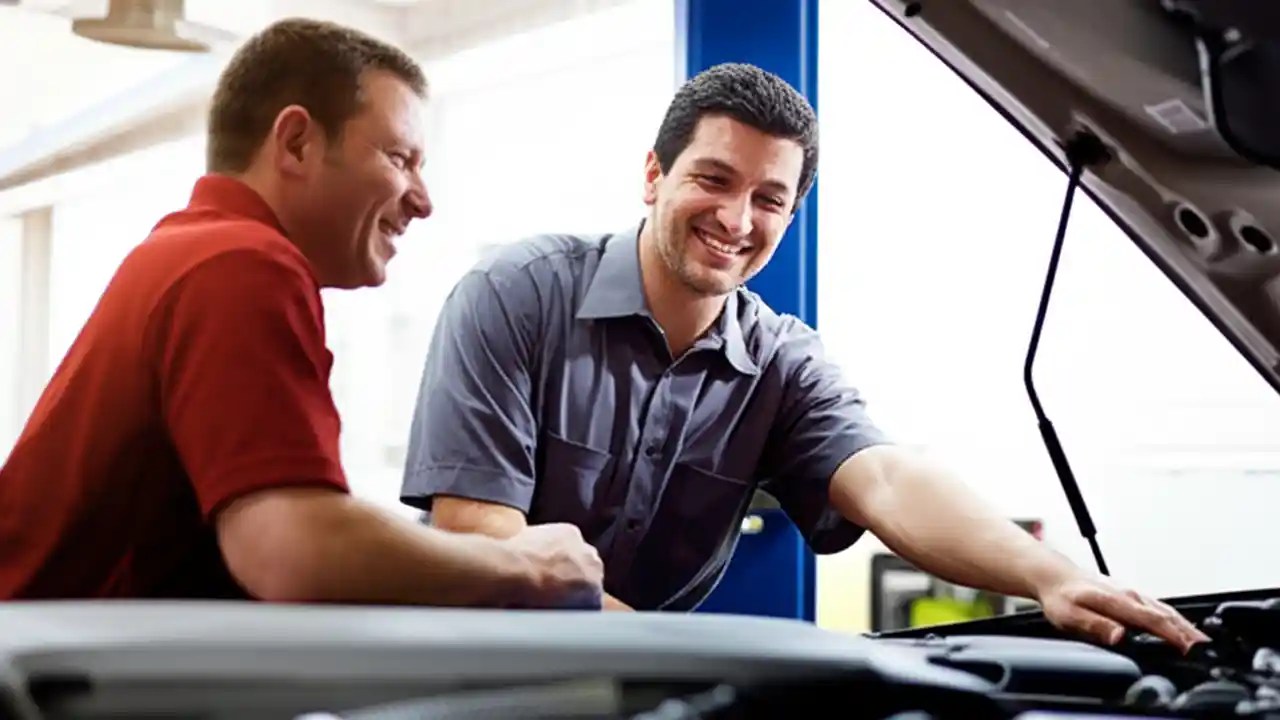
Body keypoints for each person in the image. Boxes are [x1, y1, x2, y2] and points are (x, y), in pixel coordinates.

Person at [399, 62, 1209, 650]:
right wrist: (670, 666)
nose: (736, 217)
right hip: (475, 682)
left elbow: (887, 480)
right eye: (712, 179)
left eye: (769, 198)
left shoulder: (780, 363)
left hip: (636, 691)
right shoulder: (518, 295)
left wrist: (1051, 576)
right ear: (653, 175)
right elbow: (482, 539)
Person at [0, 18, 603, 610]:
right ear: (296, 143)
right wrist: (527, 566)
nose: (423, 201)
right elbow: (290, 549)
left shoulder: (194, 252)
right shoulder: (238, 261)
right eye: (400, 157)